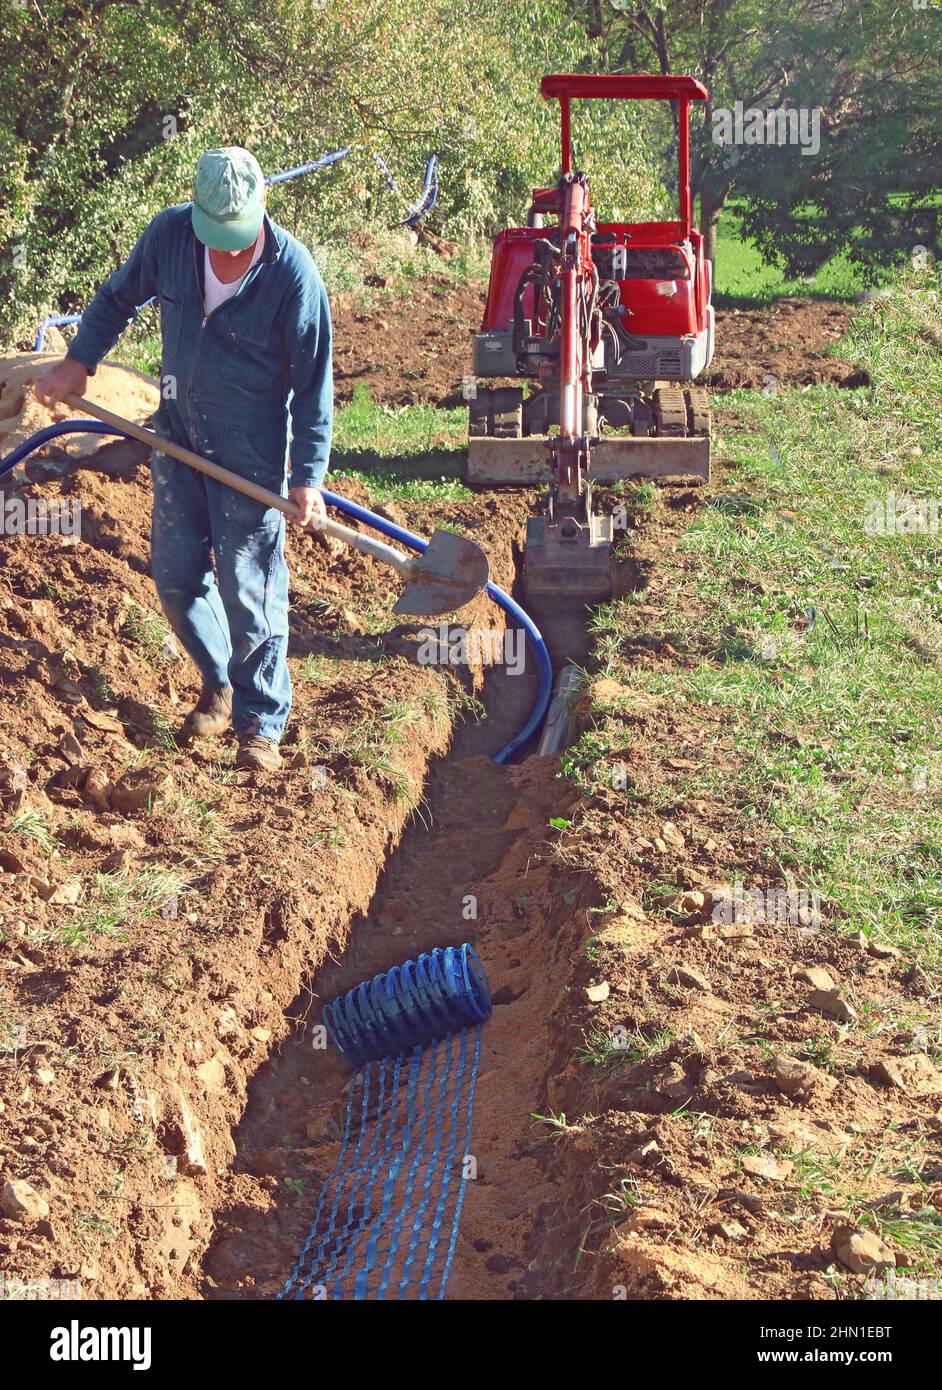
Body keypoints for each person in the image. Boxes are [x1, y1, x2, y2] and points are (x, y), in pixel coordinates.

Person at [35, 146, 333, 772]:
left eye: (238, 238)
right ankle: (220, 684)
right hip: (177, 437)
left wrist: (307, 477)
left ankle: (261, 723)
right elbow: (117, 298)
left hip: (250, 455)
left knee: (248, 591)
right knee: (174, 576)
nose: (226, 252)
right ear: (196, 215)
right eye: (216, 238)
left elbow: (312, 386)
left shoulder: (293, 275)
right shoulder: (171, 237)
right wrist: (77, 360)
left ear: (261, 210)